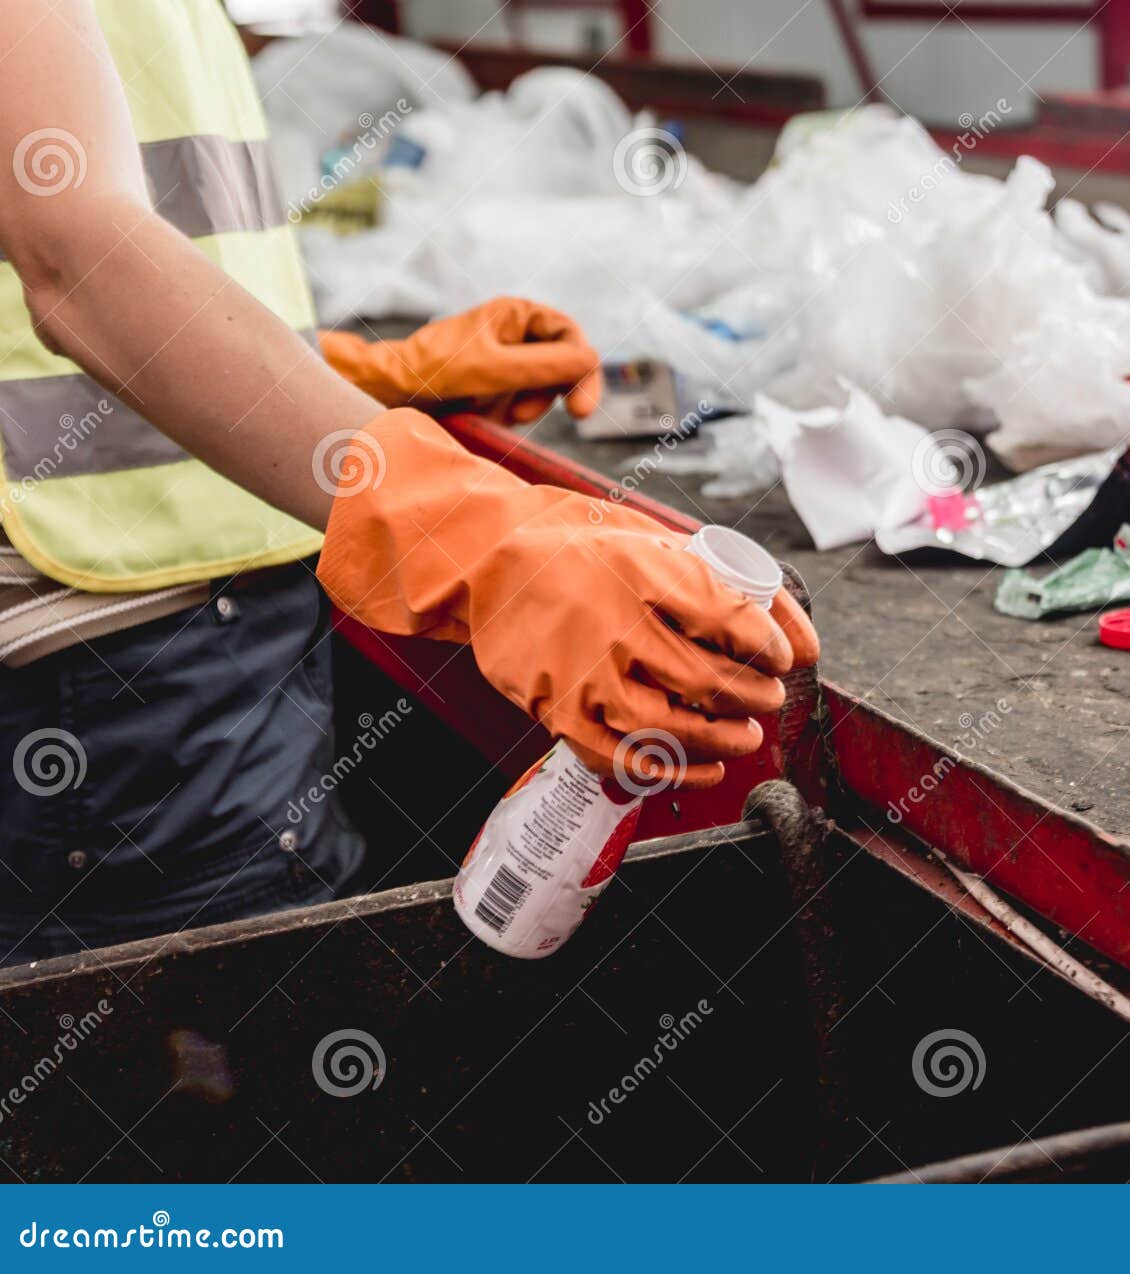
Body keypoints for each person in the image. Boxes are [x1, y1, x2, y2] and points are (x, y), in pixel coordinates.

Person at [0, 0, 818, 964]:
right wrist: (482, 541)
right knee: (220, 1068)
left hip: (184, 619)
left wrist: (364, 377)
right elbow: (76, 254)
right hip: (109, 661)